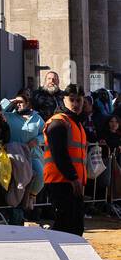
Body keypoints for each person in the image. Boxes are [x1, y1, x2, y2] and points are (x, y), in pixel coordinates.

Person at [41, 84, 88, 236]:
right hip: (61, 182)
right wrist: (73, 178)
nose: (75, 104)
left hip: (71, 182)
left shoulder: (76, 123)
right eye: (72, 100)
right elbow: (59, 154)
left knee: (74, 226)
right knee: (66, 226)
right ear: (64, 100)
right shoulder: (58, 122)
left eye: (79, 100)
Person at [2, 94, 45, 217]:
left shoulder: (37, 118)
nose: (18, 104)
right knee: (19, 181)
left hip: (33, 154)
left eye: (21, 102)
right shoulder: (9, 116)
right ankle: (15, 208)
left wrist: (37, 140)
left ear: (28, 103)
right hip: (15, 154)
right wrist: (9, 101)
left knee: (40, 175)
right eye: (16, 103)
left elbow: (45, 133)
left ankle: (31, 197)